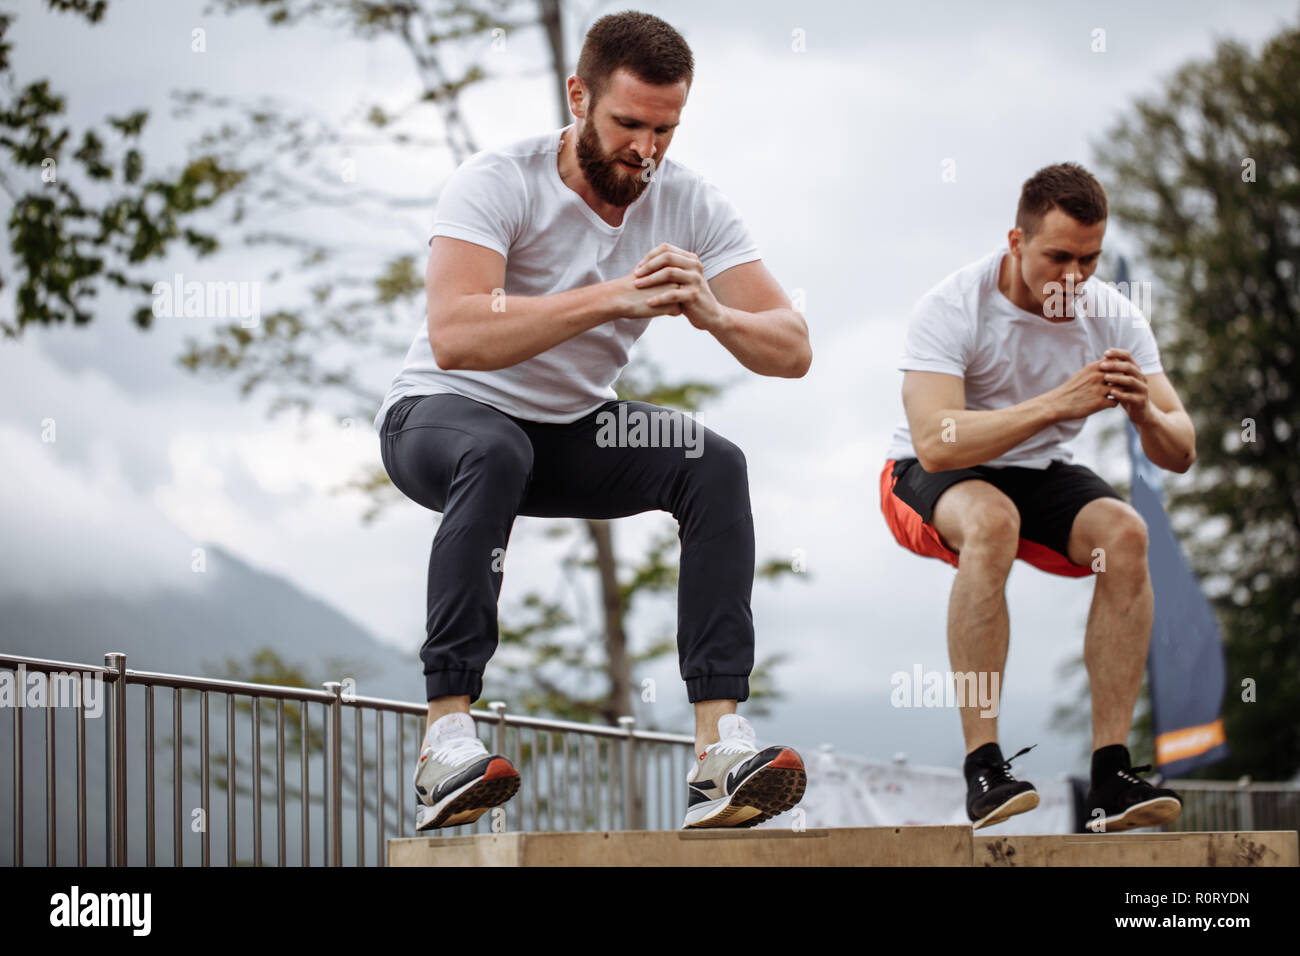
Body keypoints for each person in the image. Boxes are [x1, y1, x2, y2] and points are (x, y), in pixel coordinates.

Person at [374, 11, 811, 832]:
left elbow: (792, 348)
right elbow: (457, 334)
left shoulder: (687, 202)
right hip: (436, 417)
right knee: (497, 447)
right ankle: (445, 739)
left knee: (710, 462)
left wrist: (714, 314)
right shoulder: (499, 180)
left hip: (572, 433)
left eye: (665, 130)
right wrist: (614, 296)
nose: (645, 151)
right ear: (579, 96)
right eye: (628, 125)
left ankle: (718, 751)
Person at [878, 162, 1194, 832]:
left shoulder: (1113, 317)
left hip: (1037, 470)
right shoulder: (952, 305)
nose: (1073, 279)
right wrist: (1059, 403)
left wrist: (1146, 414)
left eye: (1089, 259)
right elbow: (937, 441)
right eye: (1057, 257)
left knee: (1127, 533)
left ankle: (1112, 774)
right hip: (931, 471)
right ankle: (984, 767)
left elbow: (1183, 449)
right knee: (994, 519)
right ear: (1016, 243)